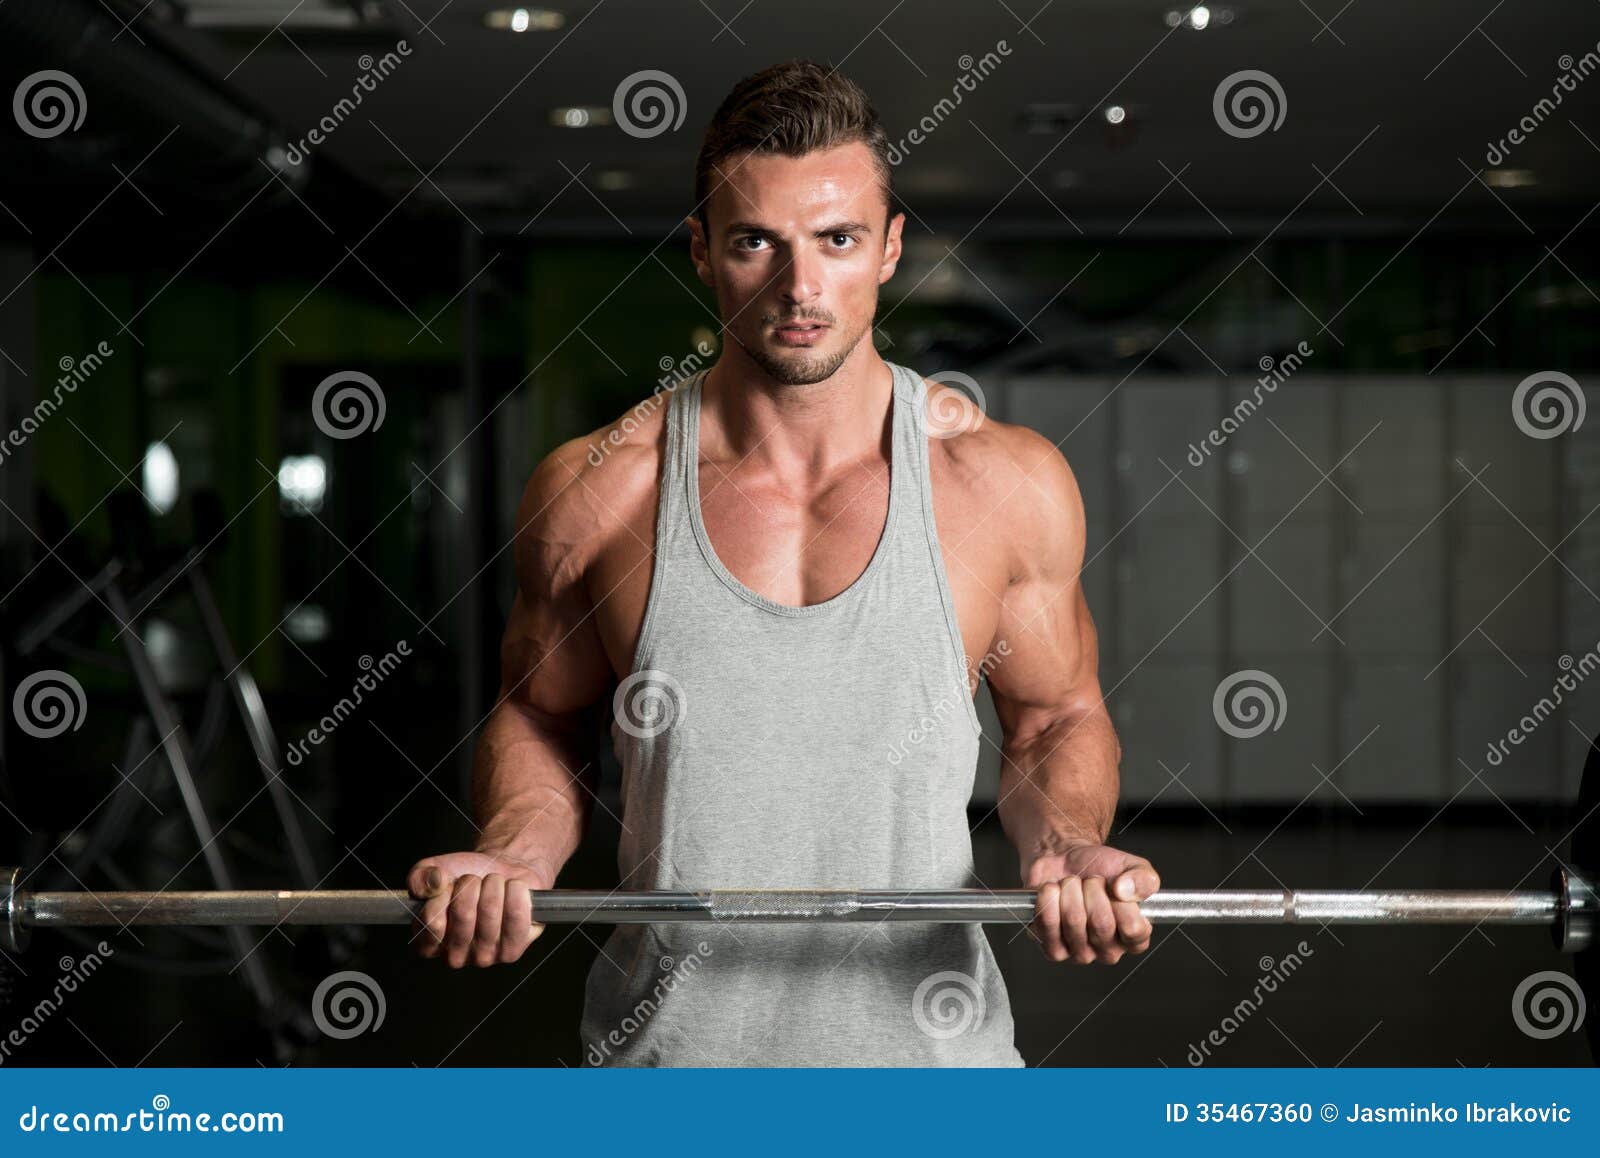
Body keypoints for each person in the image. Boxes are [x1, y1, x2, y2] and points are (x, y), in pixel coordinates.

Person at [407, 59, 1159, 1066]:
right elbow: (543, 715)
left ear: (889, 247)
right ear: (702, 250)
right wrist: (513, 853)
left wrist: (1065, 844)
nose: (800, 287)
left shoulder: (1001, 482)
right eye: (756, 241)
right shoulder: (600, 487)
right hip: (670, 1071)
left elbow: (1055, 716)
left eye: (837, 239)